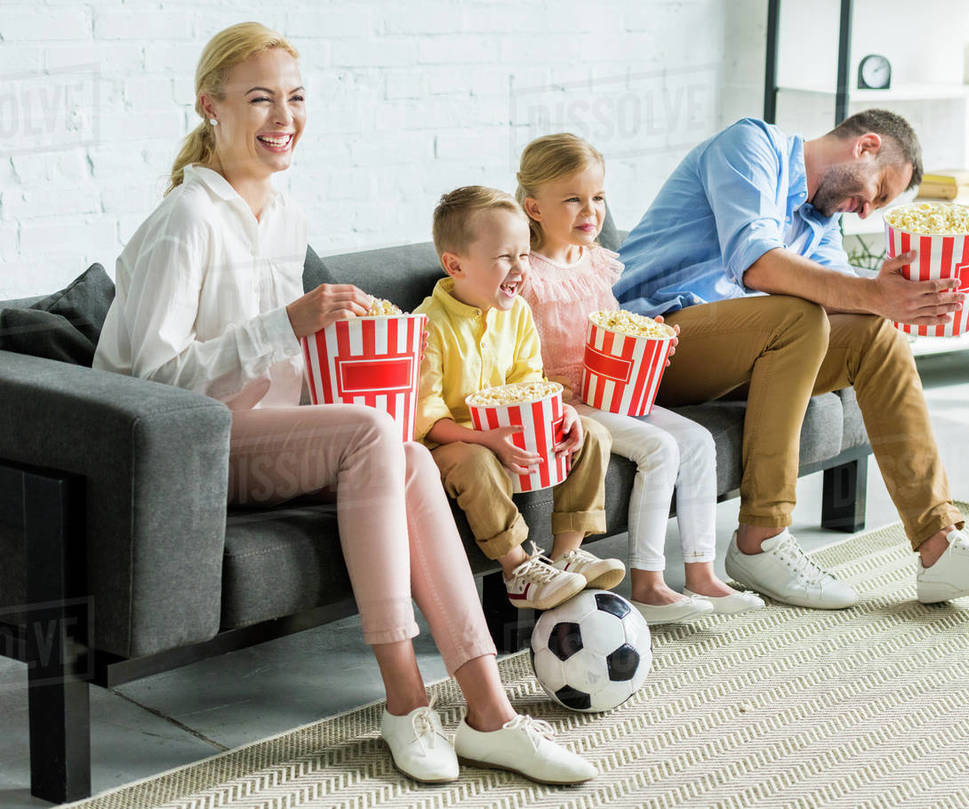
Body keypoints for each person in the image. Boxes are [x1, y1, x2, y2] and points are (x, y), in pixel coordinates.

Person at [93, 23, 595, 786]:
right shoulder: (185, 222)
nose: (283, 117)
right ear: (211, 107)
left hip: (264, 437)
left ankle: (490, 712)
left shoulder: (286, 217)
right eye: (260, 99)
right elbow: (156, 384)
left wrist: (350, 346)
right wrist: (287, 323)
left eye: (294, 98)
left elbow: (282, 368)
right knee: (371, 437)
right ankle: (403, 697)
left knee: (408, 454)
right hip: (181, 456)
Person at [613, 112, 969, 607]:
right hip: (648, 345)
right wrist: (871, 293)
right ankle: (761, 539)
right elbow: (755, 263)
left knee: (876, 335)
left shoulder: (821, 224)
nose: (867, 213)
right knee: (799, 317)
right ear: (865, 146)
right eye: (879, 192)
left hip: (737, 353)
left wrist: (924, 296)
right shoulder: (750, 147)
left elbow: (851, 301)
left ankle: (939, 545)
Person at [515, 133, 766, 625]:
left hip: (613, 392)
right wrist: (554, 392)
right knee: (661, 449)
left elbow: (610, 326)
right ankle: (648, 584)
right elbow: (516, 350)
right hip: (570, 403)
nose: (590, 211)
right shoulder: (528, 274)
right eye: (573, 199)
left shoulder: (598, 263)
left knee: (696, 441)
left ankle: (700, 573)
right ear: (534, 208)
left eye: (598, 197)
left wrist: (643, 338)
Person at [414, 185, 622, 611]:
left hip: (510, 434)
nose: (520, 268)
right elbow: (426, 419)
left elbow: (530, 381)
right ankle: (518, 570)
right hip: (451, 447)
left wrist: (559, 411)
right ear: (456, 265)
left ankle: (566, 554)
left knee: (591, 432)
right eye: (505, 258)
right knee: (476, 461)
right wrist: (487, 440)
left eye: (524, 255)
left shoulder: (518, 313)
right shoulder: (425, 326)